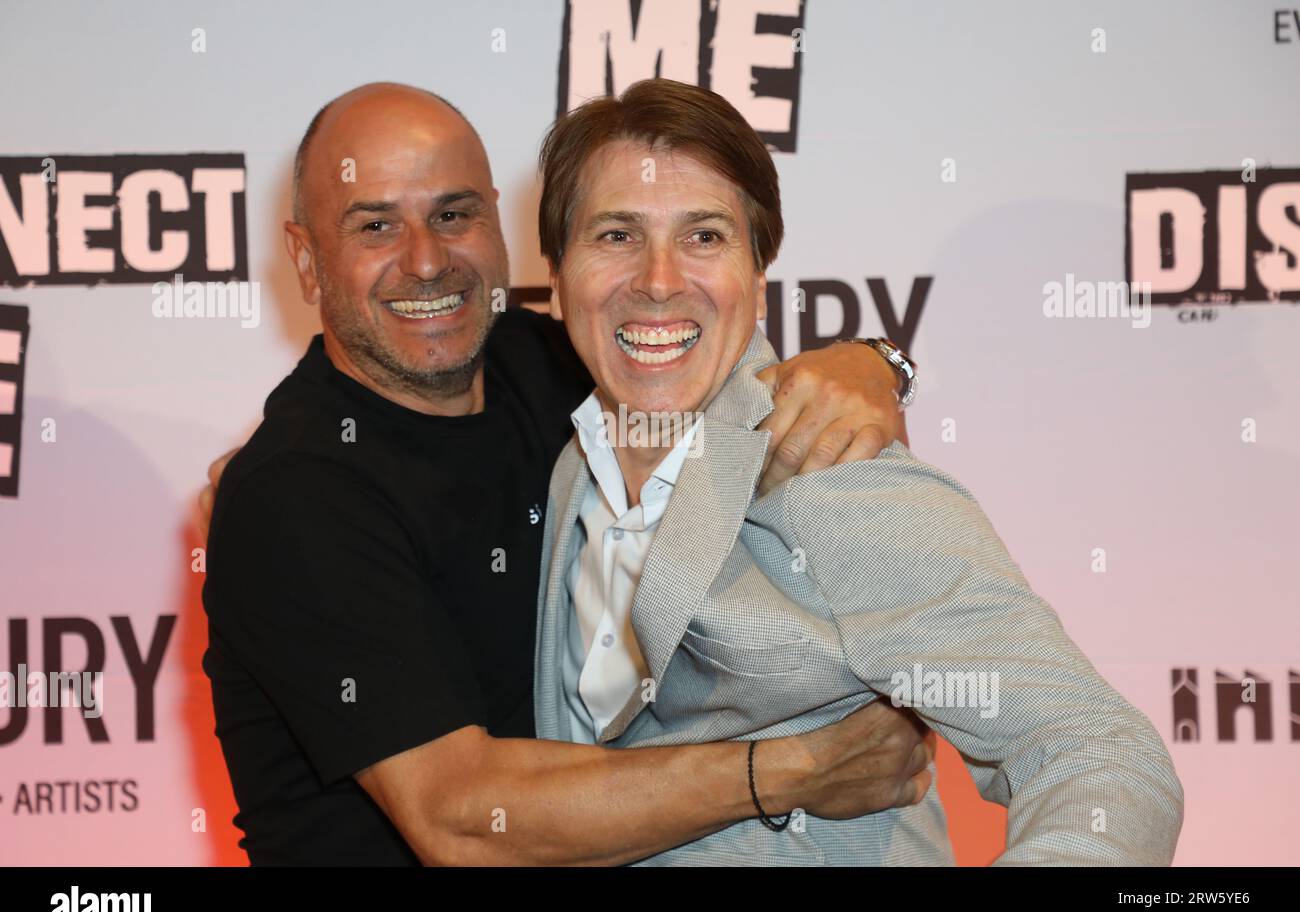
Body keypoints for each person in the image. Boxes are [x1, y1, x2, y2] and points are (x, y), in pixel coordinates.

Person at [201, 82, 929, 866]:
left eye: (453, 215)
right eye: (376, 225)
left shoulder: (548, 360)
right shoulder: (296, 492)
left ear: (498, 226)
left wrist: (873, 366)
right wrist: (802, 769)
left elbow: (749, 397)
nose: (425, 259)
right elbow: (461, 818)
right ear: (307, 260)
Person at [530, 78, 1185, 865]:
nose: (660, 279)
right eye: (616, 235)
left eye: (704, 236)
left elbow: (1097, 751)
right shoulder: (572, 460)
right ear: (558, 271)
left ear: (758, 274)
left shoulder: (833, 470)